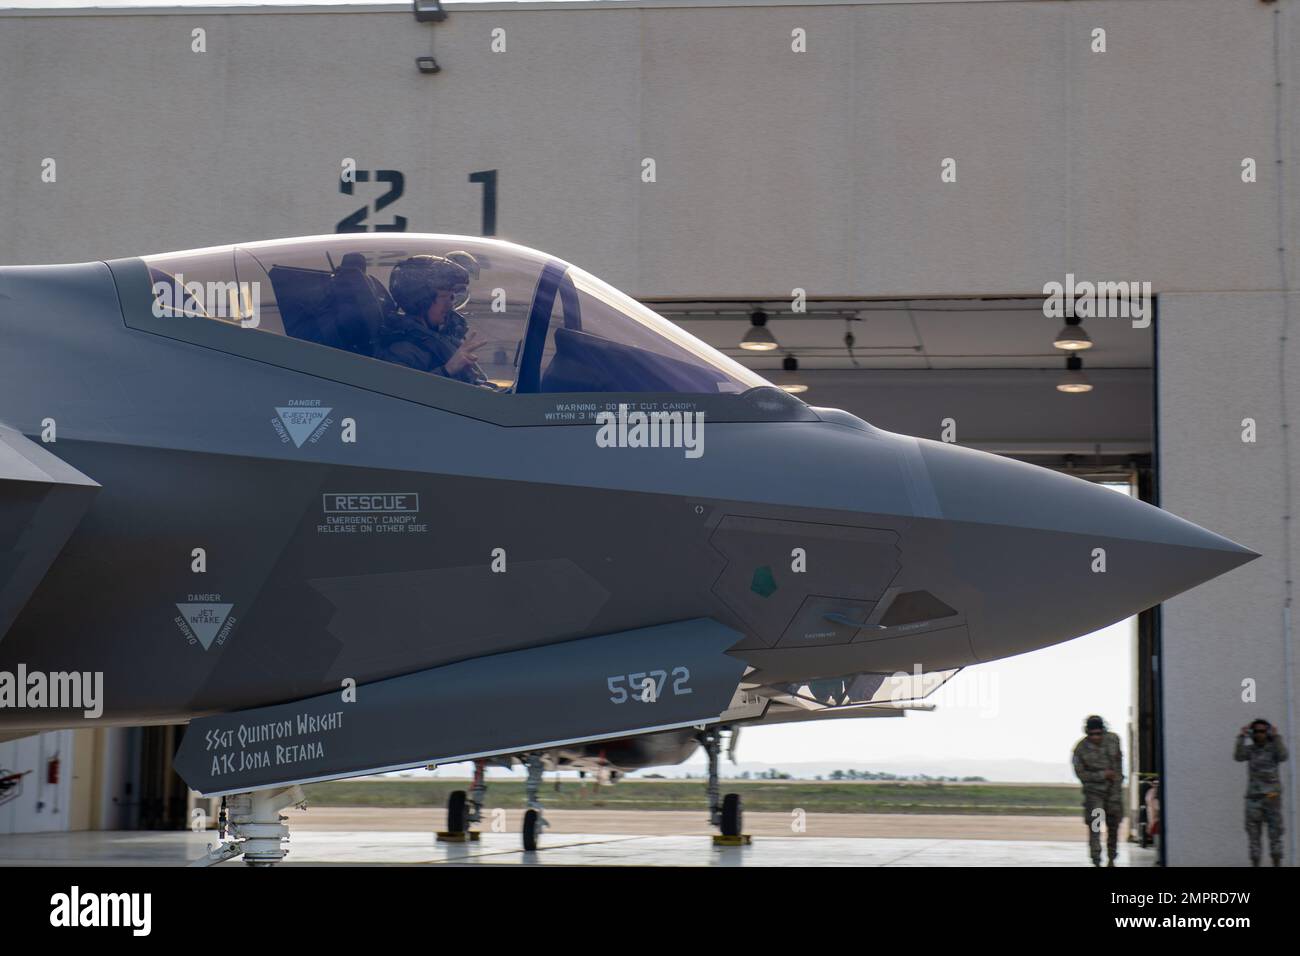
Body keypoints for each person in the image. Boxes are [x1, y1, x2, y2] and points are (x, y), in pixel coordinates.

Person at [378, 254, 487, 384]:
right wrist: (448, 370)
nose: (450, 303)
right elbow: (401, 394)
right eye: (444, 296)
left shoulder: (440, 338)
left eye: (452, 296)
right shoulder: (402, 351)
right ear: (421, 302)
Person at [1072, 715, 1124, 866]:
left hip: (1113, 791)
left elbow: (1118, 767)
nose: (1096, 737)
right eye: (1092, 734)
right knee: (1095, 826)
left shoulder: (1113, 740)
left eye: (1099, 733)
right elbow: (1081, 774)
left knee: (1113, 825)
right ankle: (1096, 858)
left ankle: (1112, 858)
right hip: (1094, 793)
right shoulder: (1080, 749)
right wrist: (1102, 775)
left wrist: (1116, 791)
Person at [1235, 719, 1288, 866]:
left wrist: (1277, 737)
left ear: (1268, 732)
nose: (1260, 734)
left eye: (1263, 731)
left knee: (1275, 837)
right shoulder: (1250, 750)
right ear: (1253, 733)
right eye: (1257, 731)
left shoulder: (1273, 748)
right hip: (1253, 800)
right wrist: (1241, 737)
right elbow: (1238, 756)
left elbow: (1283, 756)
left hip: (1272, 798)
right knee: (1254, 840)